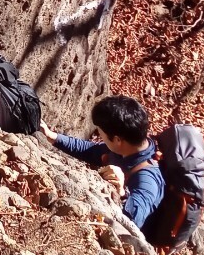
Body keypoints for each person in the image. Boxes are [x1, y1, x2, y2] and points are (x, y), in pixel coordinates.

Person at [40, 94, 165, 235]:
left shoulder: (148, 178)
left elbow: (137, 218)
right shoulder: (127, 146)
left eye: (102, 134)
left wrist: (122, 193)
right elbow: (91, 150)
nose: (100, 137)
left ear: (117, 139)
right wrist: (54, 137)